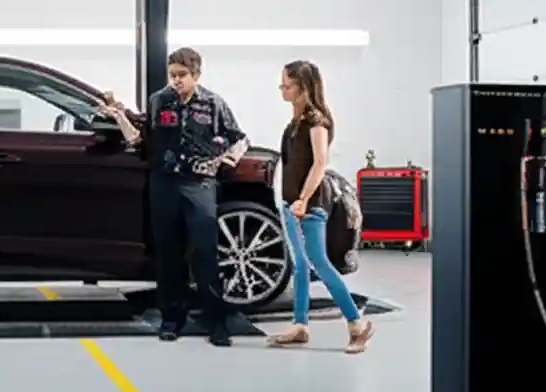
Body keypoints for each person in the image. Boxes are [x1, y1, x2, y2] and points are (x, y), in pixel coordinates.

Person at [99, 47, 248, 346]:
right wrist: (118, 116)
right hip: (164, 182)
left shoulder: (213, 104)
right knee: (167, 254)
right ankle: (172, 318)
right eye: (173, 75)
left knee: (205, 254)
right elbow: (140, 139)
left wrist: (228, 159)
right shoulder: (158, 101)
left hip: (199, 184)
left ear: (197, 75)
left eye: (182, 76)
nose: (176, 81)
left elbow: (239, 138)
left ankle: (216, 320)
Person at [266, 60, 375, 354]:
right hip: (292, 203)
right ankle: (299, 326)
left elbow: (320, 162)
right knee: (300, 266)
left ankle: (357, 324)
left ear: (302, 87)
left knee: (319, 262)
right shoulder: (294, 123)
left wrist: (303, 198)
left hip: (310, 204)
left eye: (286, 85)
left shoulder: (317, 122)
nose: (282, 90)